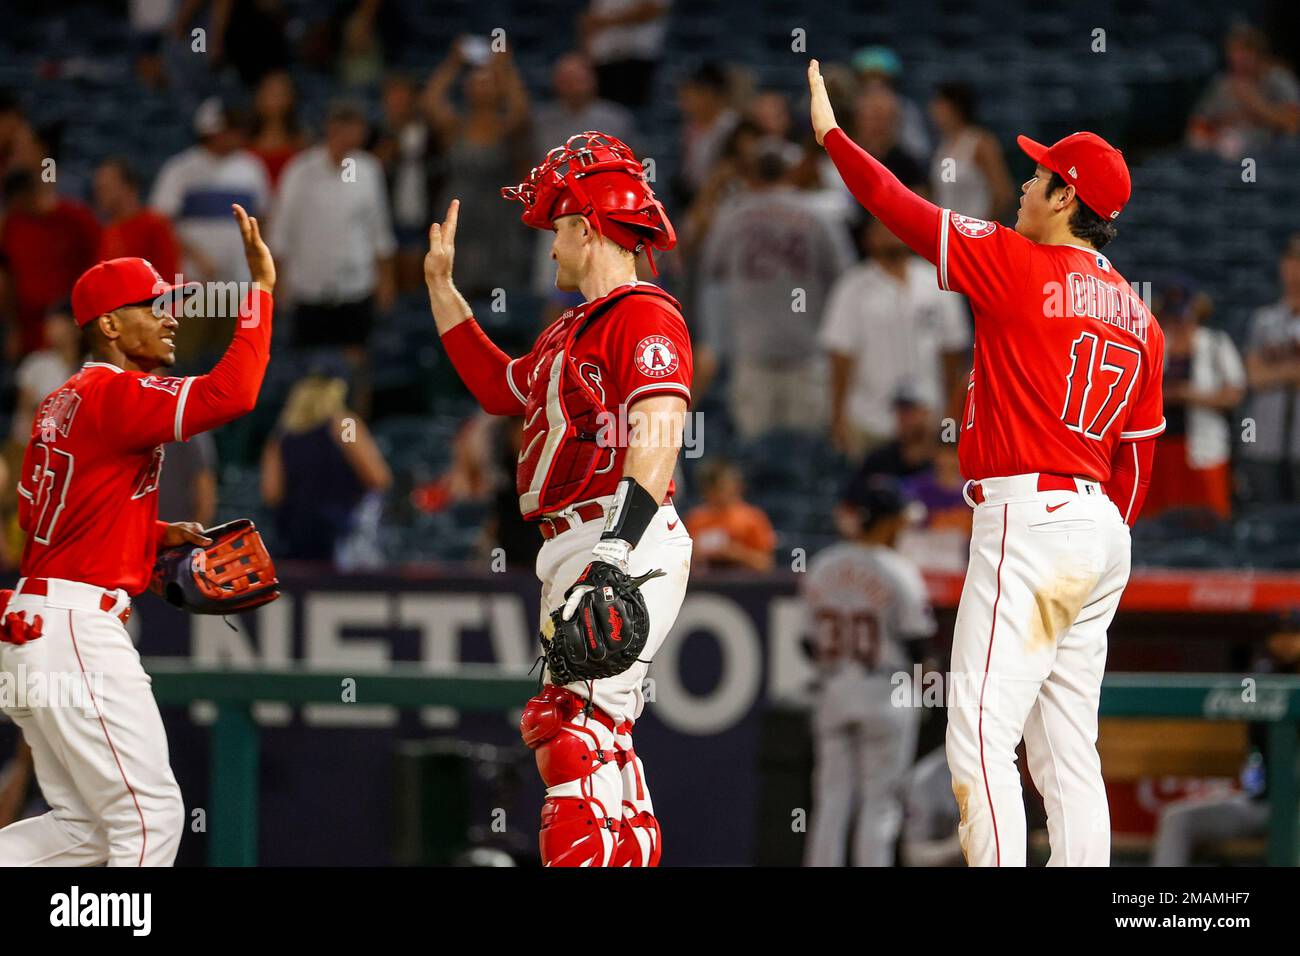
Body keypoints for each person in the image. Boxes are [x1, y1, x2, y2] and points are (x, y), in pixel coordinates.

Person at [809, 59, 1165, 867]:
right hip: (1100, 526)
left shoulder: (1014, 262)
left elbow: (899, 209)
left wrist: (833, 137)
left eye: (1039, 176)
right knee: (1068, 753)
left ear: (1067, 197)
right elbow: (1137, 468)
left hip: (1029, 515)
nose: (1022, 186)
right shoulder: (1143, 318)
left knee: (976, 739)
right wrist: (1100, 529)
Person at [426, 130, 691, 866]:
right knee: (604, 750)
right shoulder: (570, 329)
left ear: (588, 225)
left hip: (618, 535)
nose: (549, 247)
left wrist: (615, 552)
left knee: (568, 732)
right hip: (576, 545)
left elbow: (660, 433)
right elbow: (497, 386)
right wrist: (443, 293)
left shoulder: (646, 313)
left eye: (556, 228)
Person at [0, 205, 276, 866]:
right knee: (149, 816)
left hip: (35, 624)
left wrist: (148, 535)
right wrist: (260, 294)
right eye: (154, 306)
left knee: (83, 829)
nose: (171, 315)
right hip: (75, 633)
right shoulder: (113, 395)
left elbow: (49, 521)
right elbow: (227, 397)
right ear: (110, 324)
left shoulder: (65, 397)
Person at [802, 478, 936, 866]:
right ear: (886, 520)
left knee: (831, 800)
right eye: (898, 519)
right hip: (886, 691)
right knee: (880, 803)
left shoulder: (823, 564)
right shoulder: (899, 571)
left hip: (834, 690)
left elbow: (807, 643)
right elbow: (918, 645)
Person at [697, 139, 855, 439]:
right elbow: (844, 277)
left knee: (755, 457)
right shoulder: (819, 214)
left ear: (753, 174)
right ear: (790, 171)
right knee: (805, 456)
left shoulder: (732, 215)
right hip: (808, 350)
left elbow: (711, 274)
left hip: (752, 351)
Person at [1150, 609, 1300, 866]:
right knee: (1177, 819)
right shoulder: (1258, 678)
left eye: (1293, 634)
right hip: (1261, 803)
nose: (1285, 641)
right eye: (1279, 634)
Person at [820, 216, 970, 457]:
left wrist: (953, 415)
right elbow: (840, 356)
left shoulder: (937, 281)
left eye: (895, 226)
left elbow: (952, 352)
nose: (890, 233)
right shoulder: (852, 287)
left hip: (930, 419)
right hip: (870, 420)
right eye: (881, 229)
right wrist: (837, 417)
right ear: (868, 238)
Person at [270, 100, 397, 360]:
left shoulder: (369, 170)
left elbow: (379, 230)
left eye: (357, 128)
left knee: (357, 362)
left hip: (356, 286)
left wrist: (386, 279)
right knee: (309, 370)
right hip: (308, 286)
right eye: (345, 127)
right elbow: (281, 230)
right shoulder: (299, 171)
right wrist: (277, 281)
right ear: (331, 128)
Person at [424, 39, 532, 299]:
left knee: (501, 288)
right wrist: (453, 63)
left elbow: (521, 110)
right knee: (457, 289)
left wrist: (505, 68)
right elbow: (430, 102)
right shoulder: (455, 127)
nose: (481, 88)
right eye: (475, 83)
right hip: (460, 219)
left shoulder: (507, 127)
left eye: (487, 83)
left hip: (499, 220)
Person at [260, 372, 391, 565]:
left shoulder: (281, 438)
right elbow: (377, 477)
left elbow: (272, 494)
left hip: (296, 538)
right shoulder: (344, 425)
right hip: (339, 536)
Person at [1143, 282, 1245, 520]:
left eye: (1185, 317)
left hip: (1205, 449)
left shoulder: (1216, 343)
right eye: (1174, 317)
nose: (1180, 324)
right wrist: (1170, 395)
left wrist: (1191, 395)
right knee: (1158, 518)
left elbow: (1235, 393)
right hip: (1161, 452)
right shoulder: (1155, 341)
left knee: (1208, 516)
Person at [0, 166, 100, 357]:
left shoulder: (76, 219)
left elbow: (99, 267)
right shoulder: (14, 225)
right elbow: (10, 278)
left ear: (25, 196)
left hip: (70, 327)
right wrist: (14, 329)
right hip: (29, 329)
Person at [1239, 235, 1300, 503]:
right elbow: (1253, 377)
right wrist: (1291, 371)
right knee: (1265, 522)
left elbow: (1264, 375)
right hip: (1265, 443)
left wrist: (1274, 371)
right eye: (1292, 260)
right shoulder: (1264, 320)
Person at [1187, 23, 1300, 160]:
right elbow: (1199, 123)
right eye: (1233, 55)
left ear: (1258, 54)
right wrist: (1211, 135)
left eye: (1244, 54)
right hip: (1223, 146)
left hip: (1269, 149)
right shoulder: (1223, 83)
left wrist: (1255, 103)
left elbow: (1294, 124)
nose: (1238, 61)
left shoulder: (1279, 79)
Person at [928, 82, 1015, 223]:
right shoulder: (943, 145)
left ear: (954, 108)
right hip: (947, 233)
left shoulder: (980, 143)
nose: (933, 109)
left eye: (939, 104)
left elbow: (1003, 194)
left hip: (973, 232)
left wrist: (983, 229)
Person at [94, 157, 183, 281]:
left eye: (106, 188)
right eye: (98, 189)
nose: (100, 195)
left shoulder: (154, 224)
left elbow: (171, 278)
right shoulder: (107, 231)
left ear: (128, 187)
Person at [682, 459, 776, 571]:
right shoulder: (695, 519)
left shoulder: (753, 518)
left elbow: (767, 565)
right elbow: (681, 562)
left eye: (721, 487)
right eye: (711, 488)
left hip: (742, 583)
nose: (716, 494)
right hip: (703, 583)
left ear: (737, 486)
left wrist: (736, 553)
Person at [580, 0, 672, 109]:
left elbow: (652, 10)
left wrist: (606, 22)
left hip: (637, 60)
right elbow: (589, 23)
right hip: (602, 61)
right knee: (605, 113)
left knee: (634, 114)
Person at [8, 307, 80, 445]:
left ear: (74, 327)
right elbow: (24, 410)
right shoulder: (36, 363)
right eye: (49, 325)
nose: (51, 331)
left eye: (57, 325)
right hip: (39, 440)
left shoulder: (89, 363)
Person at [247, 69, 307, 190]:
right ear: (259, 97)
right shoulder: (244, 143)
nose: (275, 99)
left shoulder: (301, 144)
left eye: (280, 93)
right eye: (270, 92)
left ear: (290, 98)